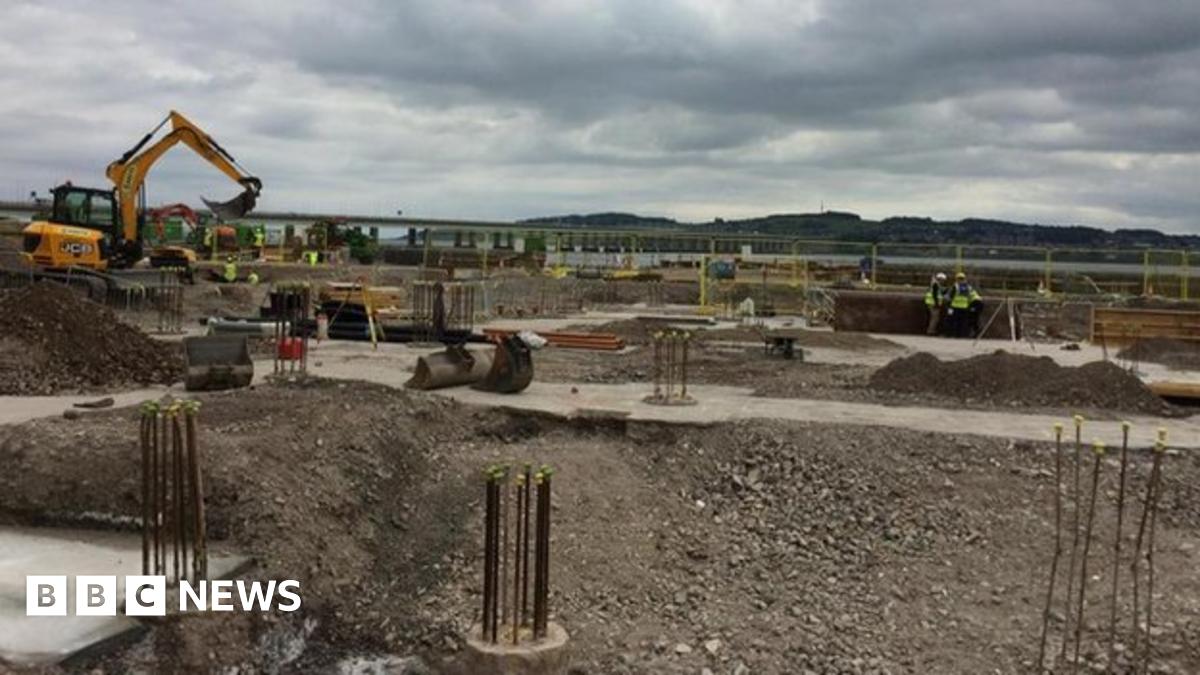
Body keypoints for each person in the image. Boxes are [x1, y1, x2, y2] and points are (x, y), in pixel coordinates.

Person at [945, 272, 982, 338]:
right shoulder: (968, 287)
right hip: (964, 307)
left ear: (956, 279)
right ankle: (962, 335)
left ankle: (954, 334)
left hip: (955, 306)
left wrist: (948, 305)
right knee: (963, 322)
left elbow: (949, 297)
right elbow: (972, 296)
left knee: (954, 322)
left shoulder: (955, 286)